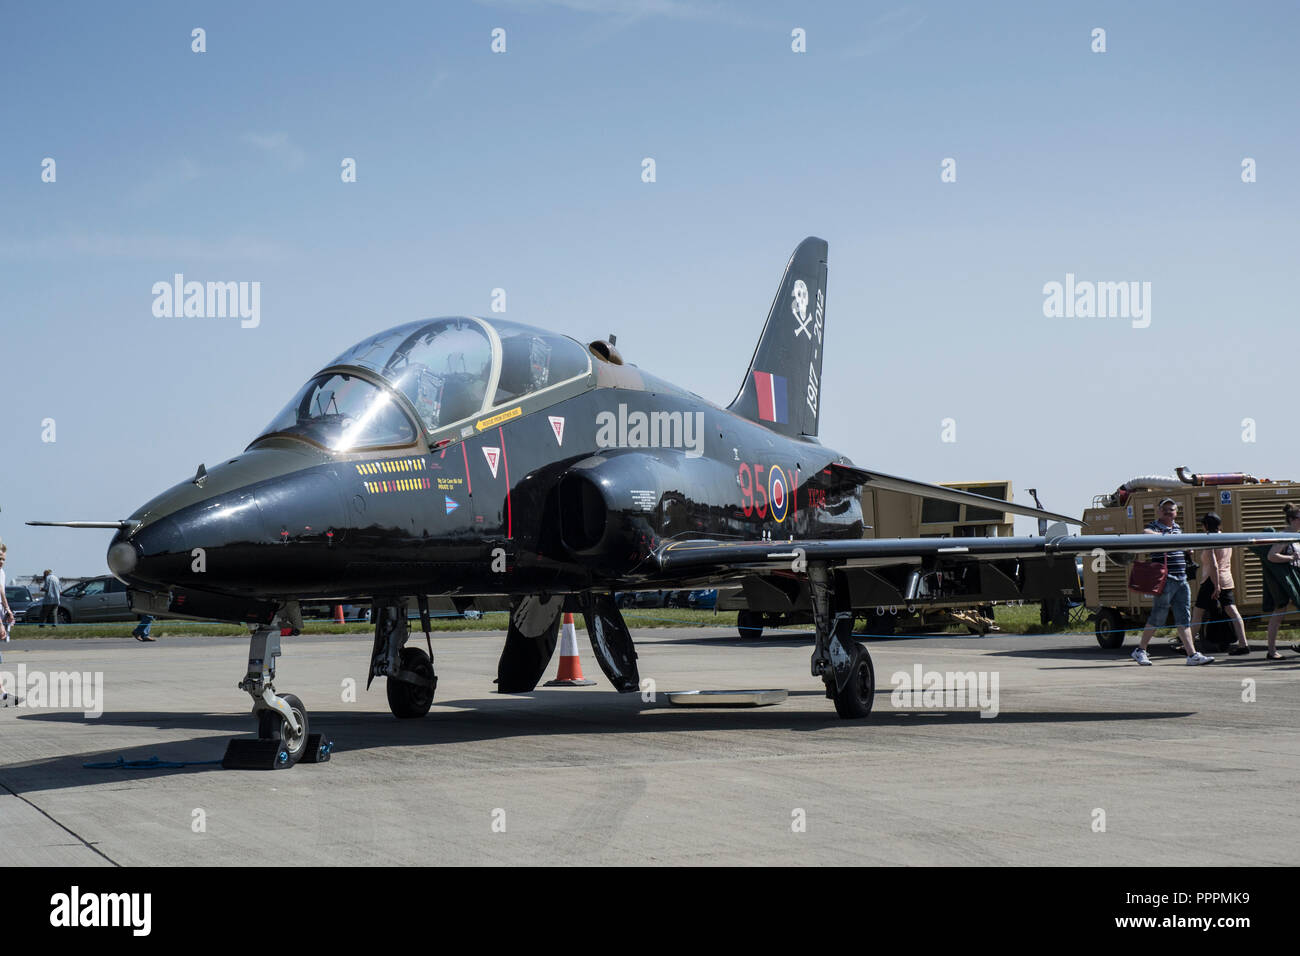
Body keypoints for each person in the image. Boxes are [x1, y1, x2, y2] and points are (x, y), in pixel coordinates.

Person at [1131, 498, 1215, 665]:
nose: (1169, 512)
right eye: (1165, 509)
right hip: (1165, 578)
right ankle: (1140, 650)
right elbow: (1144, 534)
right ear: (1159, 511)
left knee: (1184, 616)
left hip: (1181, 577)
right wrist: (1168, 537)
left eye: (1172, 509)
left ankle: (1191, 654)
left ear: (1176, 512)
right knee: (1158, 615)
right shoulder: (1154, 527)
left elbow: (1180, 545)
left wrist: (1186, 549)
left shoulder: (1177, 528)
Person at [1191, 512, 1249, 655]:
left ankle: (1188, 645)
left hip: (1212, 580)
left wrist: (1216, 585)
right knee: (1233, 612)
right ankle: (1243, 644)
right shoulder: (1225, 537)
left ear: (1206, 526)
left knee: (1198, 613)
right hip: (1226, 579)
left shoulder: (1209, 540)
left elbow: (1213, 565)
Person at [1263, 504, 1300, 660]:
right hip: (1287, 580)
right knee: (1279, 613)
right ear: (1292, 519)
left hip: (1296, 578)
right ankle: (1271, 651)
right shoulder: (1286, 535)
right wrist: (1290, 558)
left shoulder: (1296, 535)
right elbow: (1272, 556)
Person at [0, 546, 14, 704]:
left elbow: (1, 592)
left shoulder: (2, 573)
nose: (1, 562)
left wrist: (8, 611)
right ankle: (3, 694)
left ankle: (3, 694)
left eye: (3, 559)